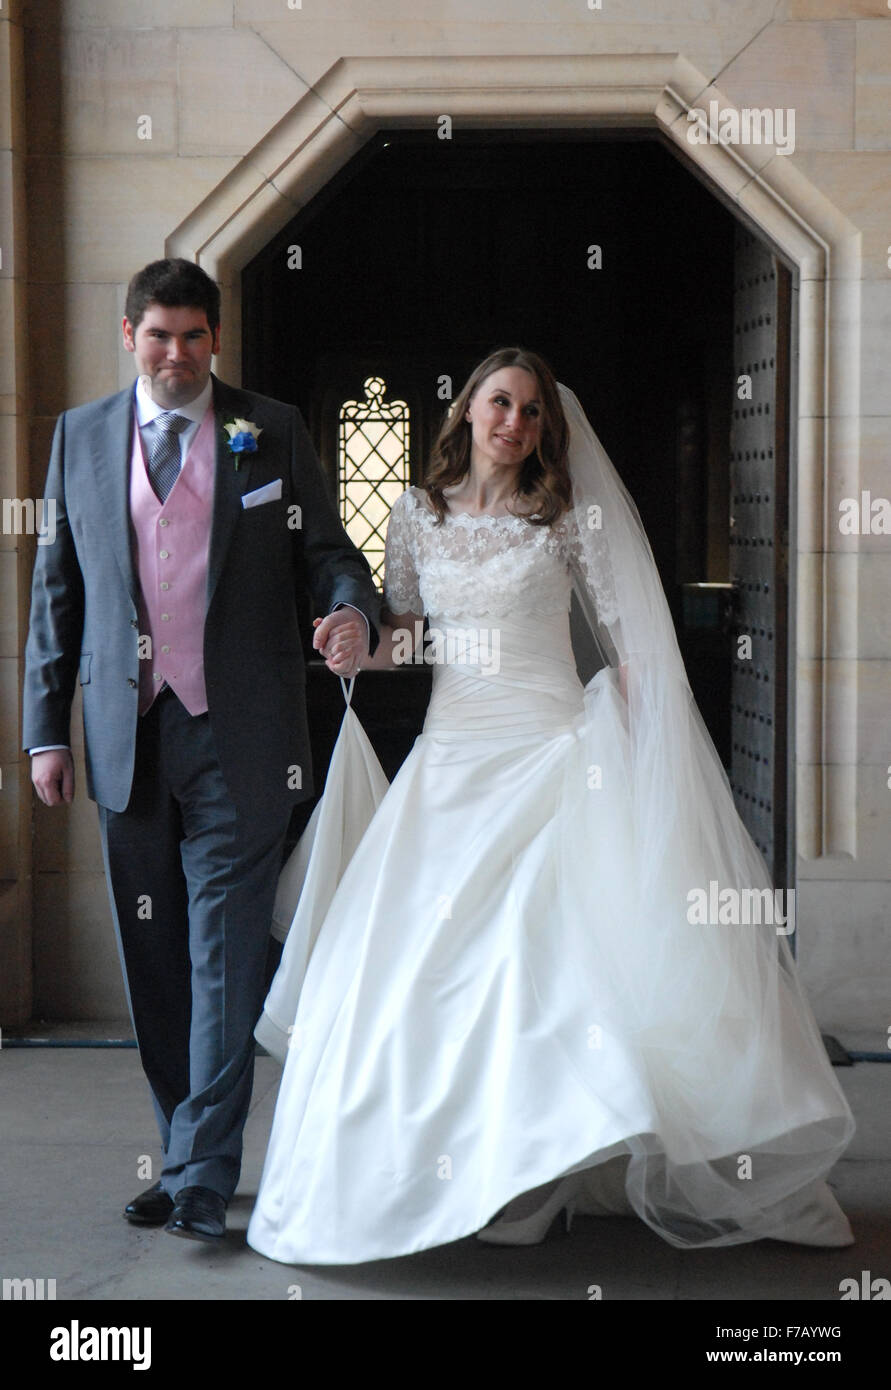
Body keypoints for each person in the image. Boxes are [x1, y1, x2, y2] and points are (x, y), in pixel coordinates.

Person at [246, 347, 855, 1265]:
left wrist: (645, 738)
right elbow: (412, 635)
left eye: (531, 411)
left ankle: (542, 1171)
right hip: (450, 763)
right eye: (500, 402)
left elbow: (631, 632)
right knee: (420, 973)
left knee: (547, 969)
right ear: (466, 410)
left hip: (552, 752)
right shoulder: (415, 514)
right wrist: (356, 646)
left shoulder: (562, 512)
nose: (514, 422)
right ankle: (478, 1167)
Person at [22, 258, 380, 1244]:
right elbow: (59, 590)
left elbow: (328, 551)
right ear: (129, 336)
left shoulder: (264, 428)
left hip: (242, 732)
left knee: (223, 953)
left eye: (193, 336)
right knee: (156, 960)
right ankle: (182, 1149)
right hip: (126, 733)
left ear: (215, 339)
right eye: (158, 336)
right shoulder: (82, 437)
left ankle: (202, 1174)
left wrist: (349, 609)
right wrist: (45, 728)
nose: (176, 354)